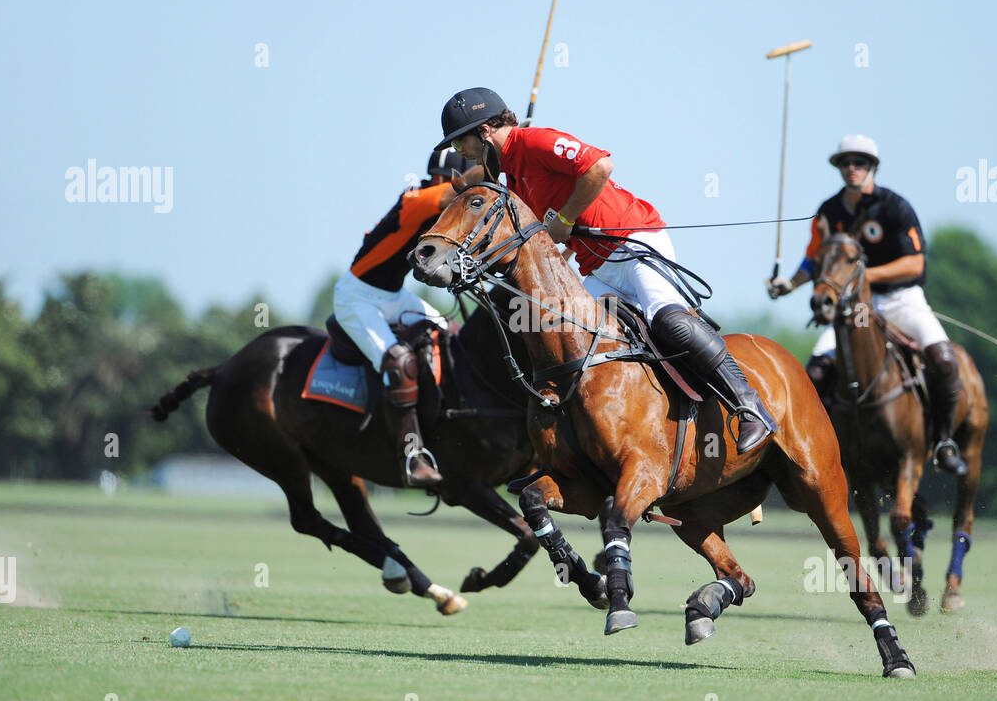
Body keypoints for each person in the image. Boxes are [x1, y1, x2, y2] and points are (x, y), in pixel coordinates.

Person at [435, 86, 776, 453]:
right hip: (598, 267)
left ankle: (749, 406)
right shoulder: (513, 176)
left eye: (459, 141)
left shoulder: (535, 141)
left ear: (485, 131)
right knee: (560, 335)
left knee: (668, 320)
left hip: (634, 242)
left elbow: (599, 166)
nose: (460, 151)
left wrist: (565, 218)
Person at [766, 135, 968, 474]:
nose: (852, 168)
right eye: (845, 163)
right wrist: (790, 284)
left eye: (859, 162)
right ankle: (819, 448)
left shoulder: (894, 207)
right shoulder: (828, 211)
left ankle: (943, 440)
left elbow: (916, 263)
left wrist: (863, 275)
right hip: (856, 308)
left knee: (944, 360)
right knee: (815, 371)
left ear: (872, 166)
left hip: (901, 299)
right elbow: (814, 259)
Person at [332, 149, 474, 487]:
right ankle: (411, 454)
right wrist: (498, 156)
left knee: (455, 335)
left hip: (395, 297)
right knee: (400, 364)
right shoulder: (416, 200)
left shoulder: (441, 206)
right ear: (444, 179)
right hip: (357, 298)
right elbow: (459, 193)